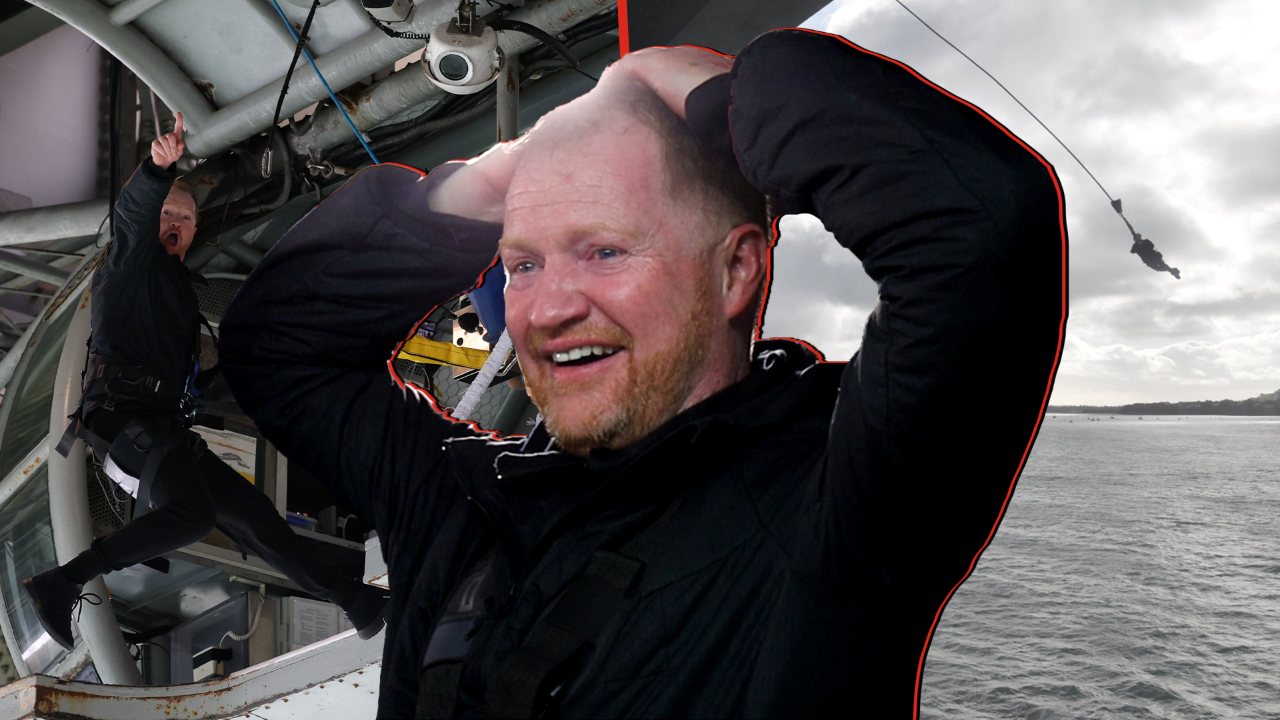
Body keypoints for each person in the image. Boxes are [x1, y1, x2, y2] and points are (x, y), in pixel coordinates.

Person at [219, 29, 1065, 718]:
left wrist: (686, 82)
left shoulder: (840, 513)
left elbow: (980, 227)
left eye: (604, 250)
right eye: (523, 264)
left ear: (738, 273)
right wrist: (490, 182)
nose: (547, 310)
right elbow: (280, 350)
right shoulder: (462, 502)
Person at [22, 113, 389, 653]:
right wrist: (155, 170)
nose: (176, 222)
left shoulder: (178, 294)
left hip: (162, 427)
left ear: (196, 231)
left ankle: (357, 604)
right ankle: (64, 579)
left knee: (257, 519)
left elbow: (201, 381)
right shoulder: (128, 267)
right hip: (120, 423)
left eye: (187, 218)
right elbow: (129, 220)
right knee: (192, 515)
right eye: (168, 213)